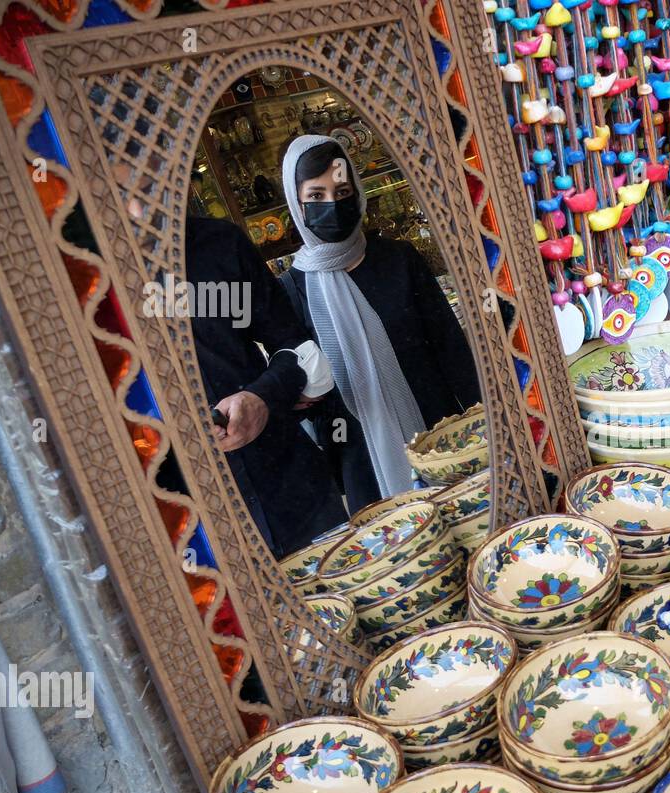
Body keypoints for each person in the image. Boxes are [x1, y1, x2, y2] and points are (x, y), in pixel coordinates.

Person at [278, 135, 482, 515]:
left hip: (442, 441)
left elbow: (451, 351)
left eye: (341, 191)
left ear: (357, 191)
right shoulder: (291, 293)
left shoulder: (400, 261)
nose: (332, 205)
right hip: (364, 465)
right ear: (296, 202)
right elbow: (303, 396)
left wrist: (481, 426)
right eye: (316, 196)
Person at [184, 215, 349, 556]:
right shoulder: (85, 286)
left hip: (294, 490)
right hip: (202, 537)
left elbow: (294, 347)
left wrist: (262, 396)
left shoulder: (218, 242)